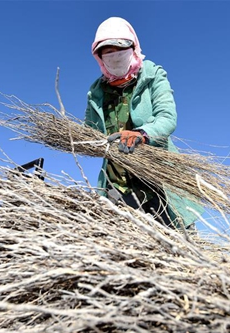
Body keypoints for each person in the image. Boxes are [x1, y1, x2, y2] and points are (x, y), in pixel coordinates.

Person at [84, 17, 202, 229]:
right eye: (107, 52)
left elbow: (167, 117)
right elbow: (90, 132)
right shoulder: (96, 92)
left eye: (120, 49)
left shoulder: (152, 75)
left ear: (133, 47)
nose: (115, 56)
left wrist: (142, 134)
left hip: (157, 180)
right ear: (99, 57)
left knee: (176, 245)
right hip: (118, 185)